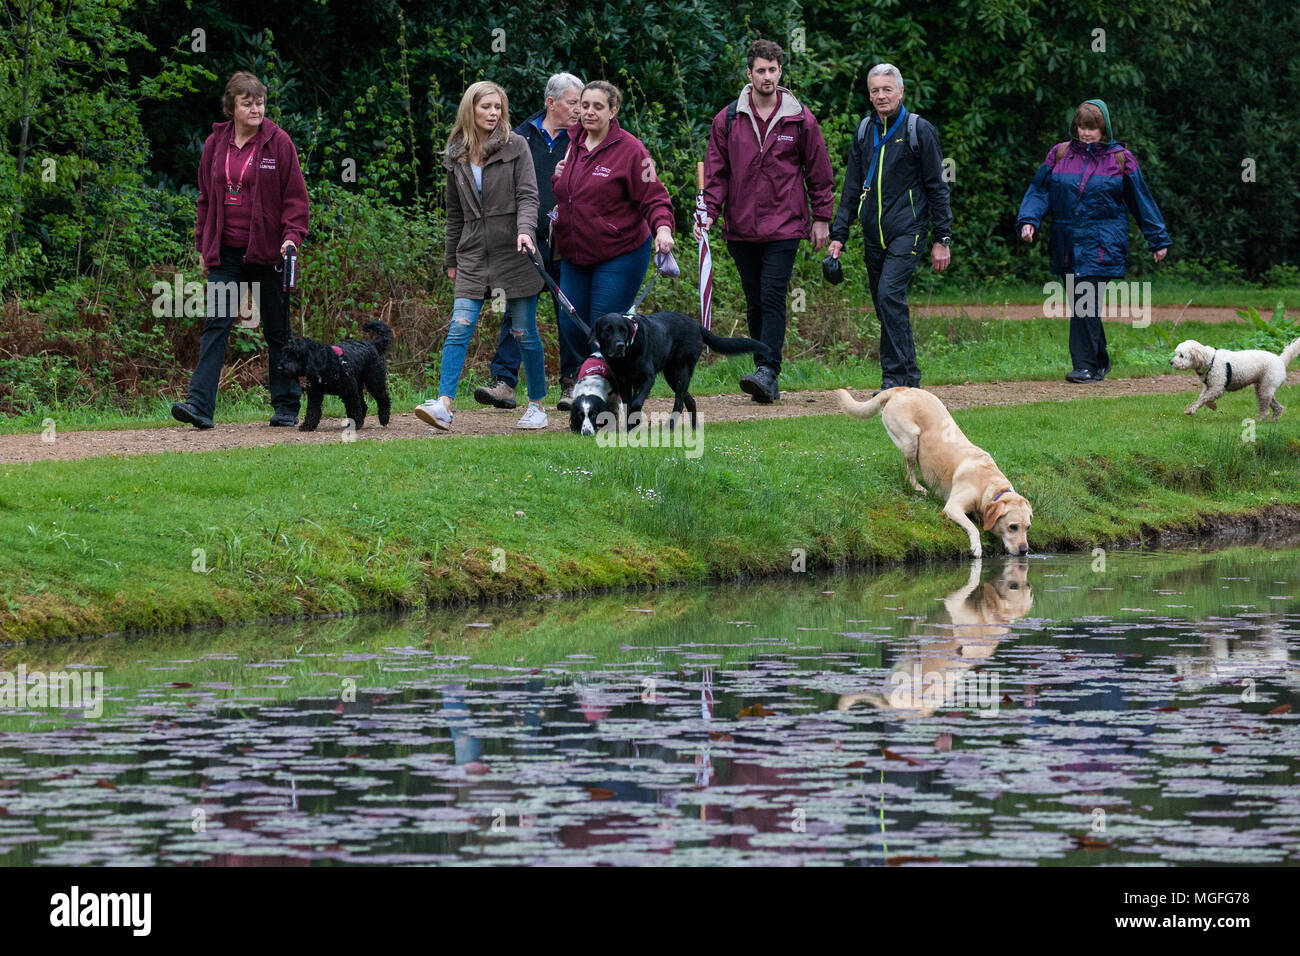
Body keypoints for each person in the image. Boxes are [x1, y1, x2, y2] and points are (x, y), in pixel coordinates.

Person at [697, 39, 835, 403]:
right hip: (741, 226)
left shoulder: (800, 118)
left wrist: (822, 217)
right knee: (755, 300)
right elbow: (716, 174)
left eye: (773, 70)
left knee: (773, 295)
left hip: (785, 224)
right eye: (761, 70)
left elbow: (818, 172)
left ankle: (768, 370)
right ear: (749, 73)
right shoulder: (727, 118)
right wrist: (708, 212)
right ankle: (763, 370)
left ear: (780, 72)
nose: (767, 76)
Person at [171, 71, 309, 429]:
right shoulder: (215, 144)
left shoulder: (279, 143)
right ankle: (199, 406)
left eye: (260, 102)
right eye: (247, 102)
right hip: (227, 253)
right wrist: (204, 244)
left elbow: (296, 199)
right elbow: (204, 199)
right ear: (231, 106)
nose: (255, 108)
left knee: (278, 331)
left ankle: (286, 405)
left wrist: (292, 236)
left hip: (270, 253)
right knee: (216, 323)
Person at [413, 81, 548, 431]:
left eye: (498, 107)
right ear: (470, 110)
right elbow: (454, 213)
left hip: (515, 252)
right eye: (486, 107)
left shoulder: (516, 146)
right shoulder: (456, 151)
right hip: (472, 253)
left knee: (523, 332)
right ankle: (444, 405)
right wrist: (451, 259)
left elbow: (529, 197)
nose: (493, 113)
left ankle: (537, 405)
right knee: (459, 327)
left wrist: (525, 230)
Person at [1016, 99, 1170, 382]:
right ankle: (1099, 361)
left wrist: (1157, 239)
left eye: (1092, 128)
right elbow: (1039, 190)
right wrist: (1029, 220)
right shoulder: (1059, 153)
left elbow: (1141, 201)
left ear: (1104, 129)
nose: (1086, 133)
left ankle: (1084, 366)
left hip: (1103, 242)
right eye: (1081, 127)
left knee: (1084, 299)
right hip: (1065, 241)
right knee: (1081, 303)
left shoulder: (1121, 159)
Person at [549, 80, 676, 410]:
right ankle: (597, 390)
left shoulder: (631, 150)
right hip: (575, 254)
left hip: (620, 253)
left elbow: (655, 197)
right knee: (573, 328)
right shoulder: (574, 141)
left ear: (613, 111)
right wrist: (557, 179)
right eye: (585, 105)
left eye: (597, 107)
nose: (588, 112)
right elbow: (569, 193)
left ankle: (604, 402)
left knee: (605, 328)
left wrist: (663, 229)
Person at [829, 63, 952, 392]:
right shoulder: (864, 131)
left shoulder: (918, 130)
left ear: (900, 92)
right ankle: (897, 379)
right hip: (873, 236)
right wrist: (839, 236)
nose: (881, 96)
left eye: (887, 89)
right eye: (875, 90)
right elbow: (851, 188)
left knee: (888, 294)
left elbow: (937, 187)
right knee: (885, 304)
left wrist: (942, 238)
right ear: (869, 95)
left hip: (907, 231)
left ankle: (902, 379)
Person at [474, 72, 583, 410]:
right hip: (524, 239)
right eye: (573, 103)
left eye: (582, 103)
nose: (580, 110)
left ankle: (572, 385)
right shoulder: (517, 137)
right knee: (514, 311)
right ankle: (504, 383)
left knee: (568, 311)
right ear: (550, 103)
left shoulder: (585, 139)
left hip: (568, 240)